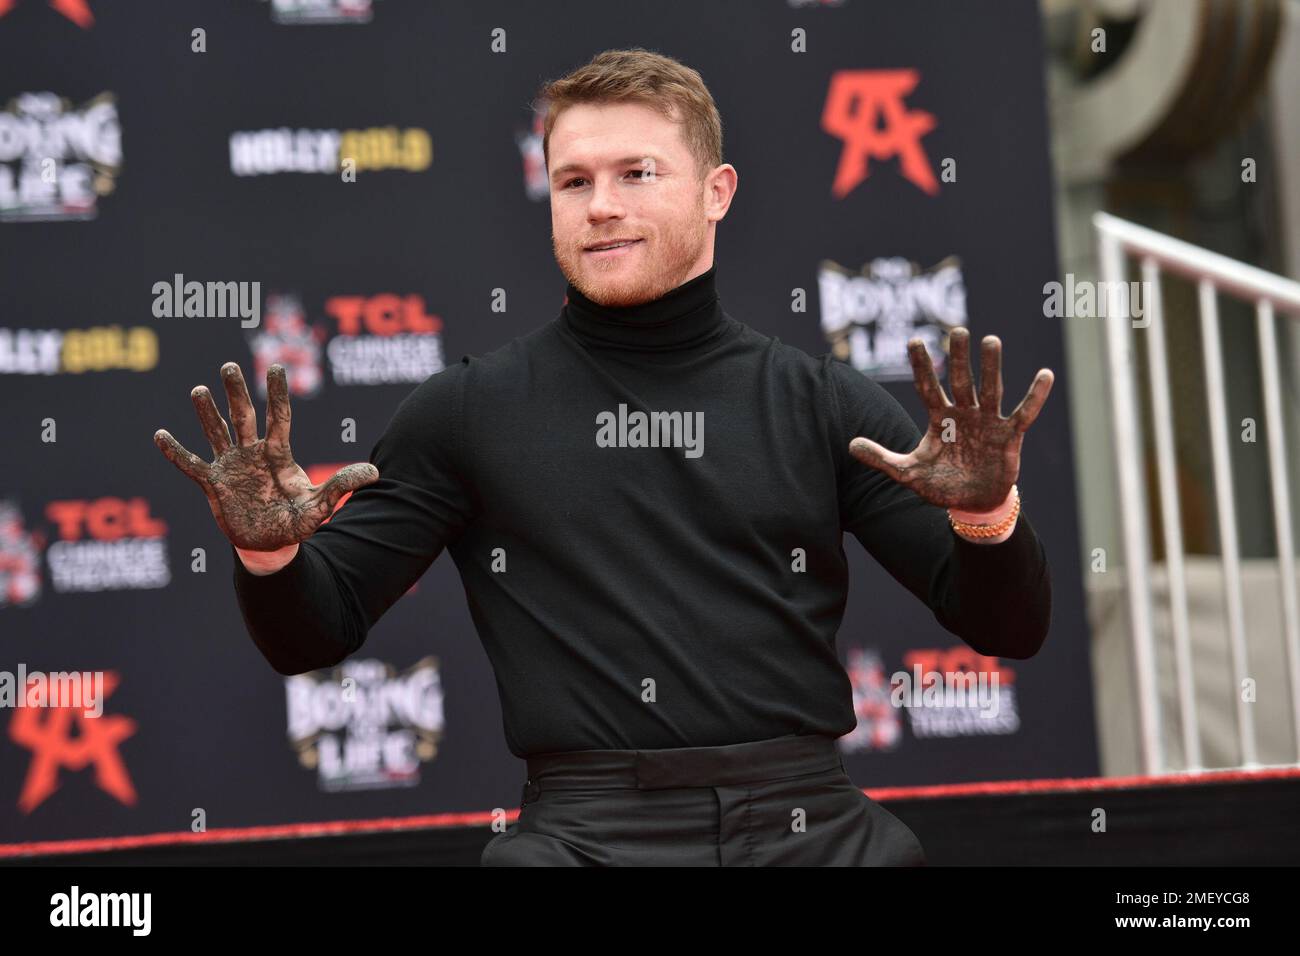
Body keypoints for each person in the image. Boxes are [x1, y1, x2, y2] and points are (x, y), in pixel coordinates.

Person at [154, 48, 1054, 866]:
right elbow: (314, 630)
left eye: (637, 173)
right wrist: (268, 552)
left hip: (810, 826)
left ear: (717, 190)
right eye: (573, 180)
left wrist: (986, 515)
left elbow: (1010, 629)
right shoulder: (467, 412)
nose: (603, 205)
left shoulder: (817, 401)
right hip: (587, 837)